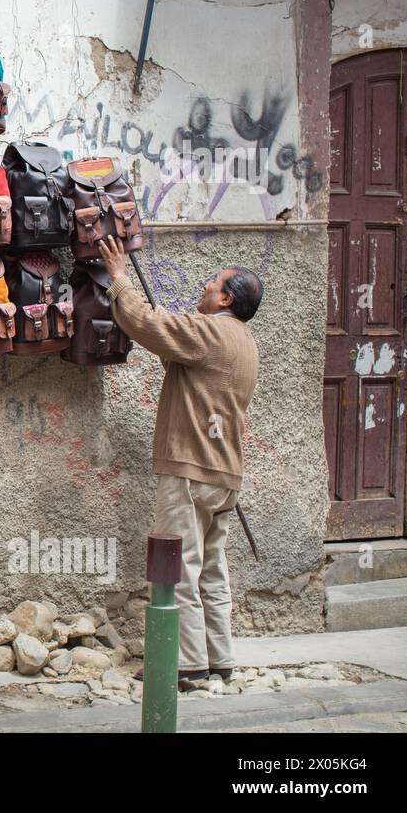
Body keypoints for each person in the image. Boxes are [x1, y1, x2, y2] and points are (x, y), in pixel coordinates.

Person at [97, 236, 262, 689]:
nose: (204, 290)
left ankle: (184, 665)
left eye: (212, 285)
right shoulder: (245, 342)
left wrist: (118, 278)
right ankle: (219, 659)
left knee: (179, 566)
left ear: (226, 298)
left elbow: (150, 325)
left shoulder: (212, 332)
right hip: (225, 474)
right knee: (211, 568)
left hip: (191, 468)